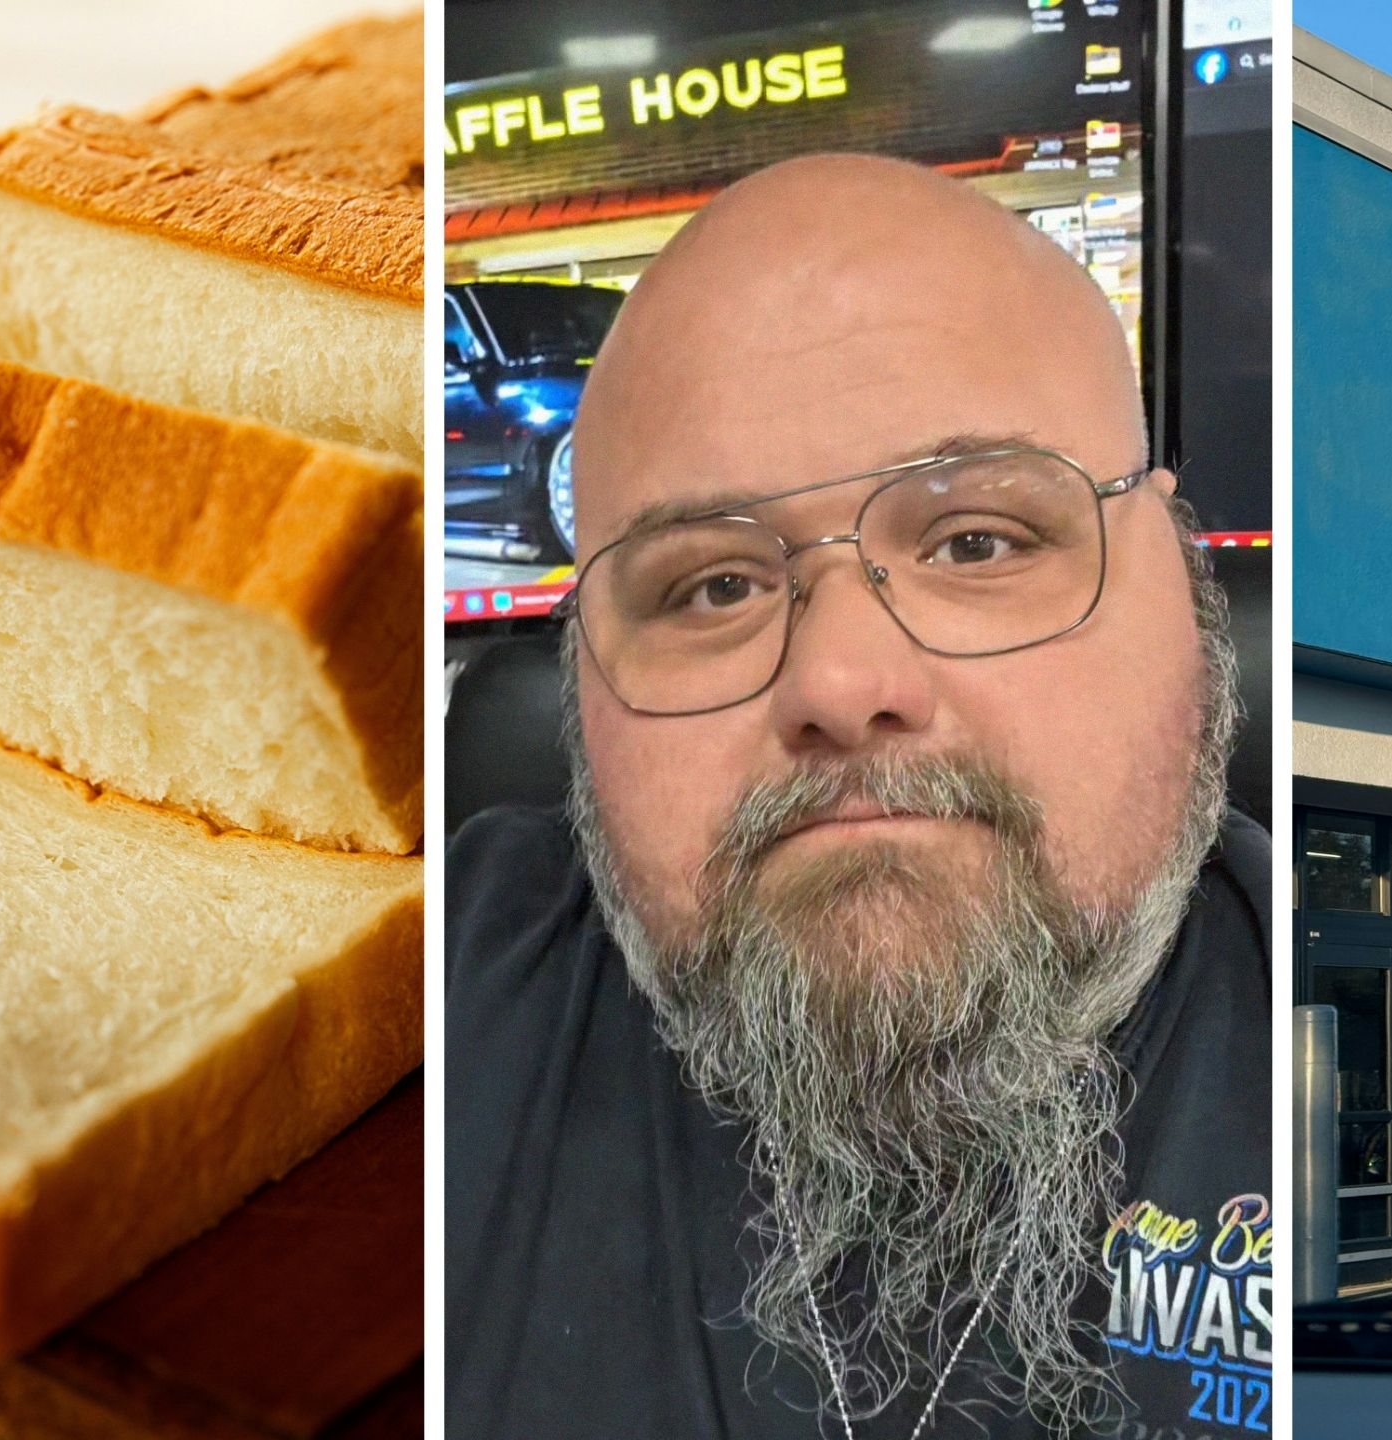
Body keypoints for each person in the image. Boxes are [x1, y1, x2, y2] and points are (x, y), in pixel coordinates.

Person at [445, 153, 1267, 1440]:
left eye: (975, 543)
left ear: (1178, 570)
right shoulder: (415, 1024)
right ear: (575, 689)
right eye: (711, 588)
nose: (838, 680)